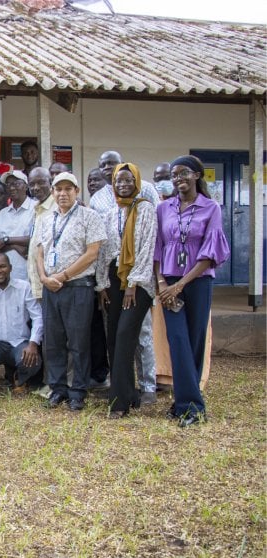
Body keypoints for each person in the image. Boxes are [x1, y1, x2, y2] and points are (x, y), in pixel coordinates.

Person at [154, 155, 229, 427]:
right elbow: (158, 248)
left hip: (197, 282)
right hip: (169, 283)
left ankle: (184, 404)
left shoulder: (211, 208)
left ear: (197, 175)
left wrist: (181, 284)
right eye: (174, 175)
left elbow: (210, 253)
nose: (178, 179)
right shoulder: (163, 208)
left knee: (195, 342)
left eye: (183, 173)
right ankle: (192, 407)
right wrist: (163, 283)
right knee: (177, 340)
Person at [34, 172, 106, 411]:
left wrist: (63, 276)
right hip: (51, 289)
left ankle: (78, 391)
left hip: (77, 287)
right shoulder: (47, 219)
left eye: (68, 189)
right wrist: (44, 277)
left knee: (78, 342)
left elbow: (92, 253)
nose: (63, 194)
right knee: (53, 342)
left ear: (77, 191)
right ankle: (58, 388)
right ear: (53, 192)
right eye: (58, 189)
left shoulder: (89, 216)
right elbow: (40, 252)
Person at [97, 163, 158, 418]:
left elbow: (147, 248)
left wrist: (133, 284)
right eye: (118, 181)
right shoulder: (111, 213)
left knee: (125, 336)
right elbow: (104, 252)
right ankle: (129, 393)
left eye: (128, 180)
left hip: (138, 283)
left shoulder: (145, 209)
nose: (123, 185)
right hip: (114, 281)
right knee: (113, 338)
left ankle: (118, 403)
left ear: (137, 182)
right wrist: (102, 284)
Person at [0, 253, 43, 393]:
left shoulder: (24, 288)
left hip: (19, 342)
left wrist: (33, 344)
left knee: (32, 360)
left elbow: (38, 317)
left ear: (10, 268)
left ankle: (18, 378)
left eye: (3, 266)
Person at [0, 170, 35, 281]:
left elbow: (36, 239)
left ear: (26, 186)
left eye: (16, 183)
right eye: (8, 184)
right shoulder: (3, 213)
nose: (12, 187)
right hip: (6, 278)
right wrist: (15, 246)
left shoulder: (36, 208)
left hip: (29, 275)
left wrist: (6, 240)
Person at [26, 167, 54, 300]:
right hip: (40, 285)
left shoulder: (58, 207)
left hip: (53, 283)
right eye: (32, 184)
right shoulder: (36, 209)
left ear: (50, 182)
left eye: (41, 182)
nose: (36, 188)